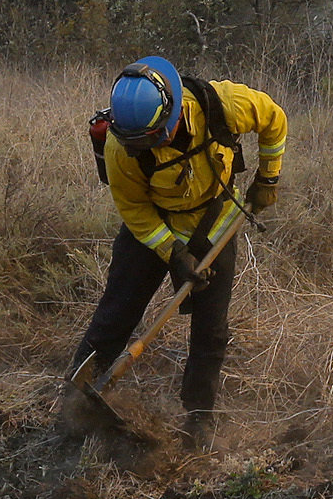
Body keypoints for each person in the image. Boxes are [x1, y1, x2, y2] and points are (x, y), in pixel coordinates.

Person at [68, 55, 286, 448]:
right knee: (117, 312)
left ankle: (198, 418)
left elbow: (275, 119)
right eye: (137, 143)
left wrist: (267, 178)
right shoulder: (122, 149)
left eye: (152, 139)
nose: (144, 148)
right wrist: (172, 252)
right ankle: (74, 398)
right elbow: (134, 209)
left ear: (172, 114)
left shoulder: (225, 105)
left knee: (211, 329)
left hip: (213, 225)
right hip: (154, 228)